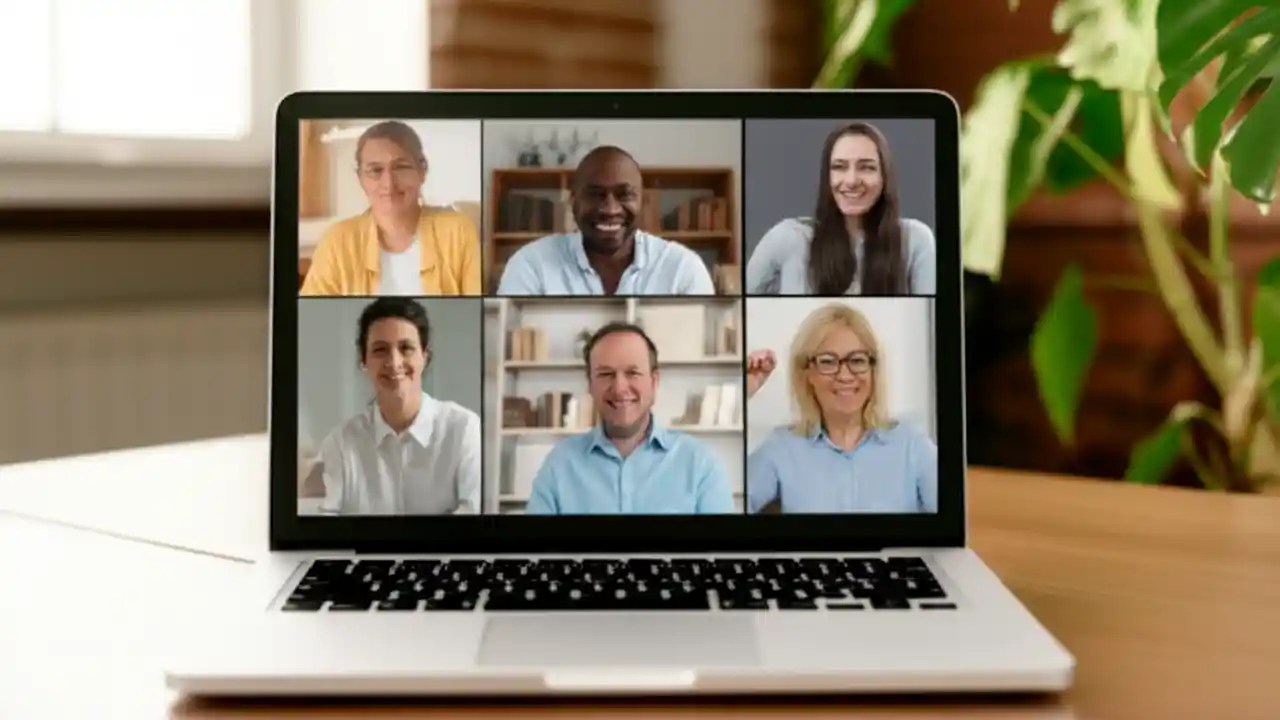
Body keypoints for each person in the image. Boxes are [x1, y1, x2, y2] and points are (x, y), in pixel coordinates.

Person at [744, 302, 937, 513]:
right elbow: (721, 507)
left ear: (873, 370)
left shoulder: (911, 443)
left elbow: (952, 526)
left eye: (857, 360)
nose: (845, 376)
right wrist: (743, 392)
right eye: (828, 362)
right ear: (807, 374)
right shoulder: (781, 447)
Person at [525, 322, 735, 514]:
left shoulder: (701, 464)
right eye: (605, 374)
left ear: (654, 382)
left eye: (633, 373)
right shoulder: (559, 463)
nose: (619, 388)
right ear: (589, 384)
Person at [318, 297, 480, 515]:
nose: (394, 362)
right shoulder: (340, 443)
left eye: (406, 348)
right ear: (363, 359)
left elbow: (473, 515)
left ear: (425, 357)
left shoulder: (464, 429)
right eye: (380, 350)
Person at [745, 122, 936, 296]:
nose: (851, 180)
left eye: (866, 167)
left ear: (884, 177)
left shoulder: (915, 241)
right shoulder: (788, 238)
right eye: (839, 167)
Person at [496, 145, 715, 296]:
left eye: (625, 195)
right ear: (573, 203)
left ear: (643, 202)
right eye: (596, 194)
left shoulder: (683, 268)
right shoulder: (531, 265)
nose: (610, 210)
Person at [301, 120, 481, 296]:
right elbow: (312, 318)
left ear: (422, 171)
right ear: (360, 178)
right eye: (375, 170)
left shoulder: (458, 231)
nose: (389, 183)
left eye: (401, 167)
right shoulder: (337, 241)